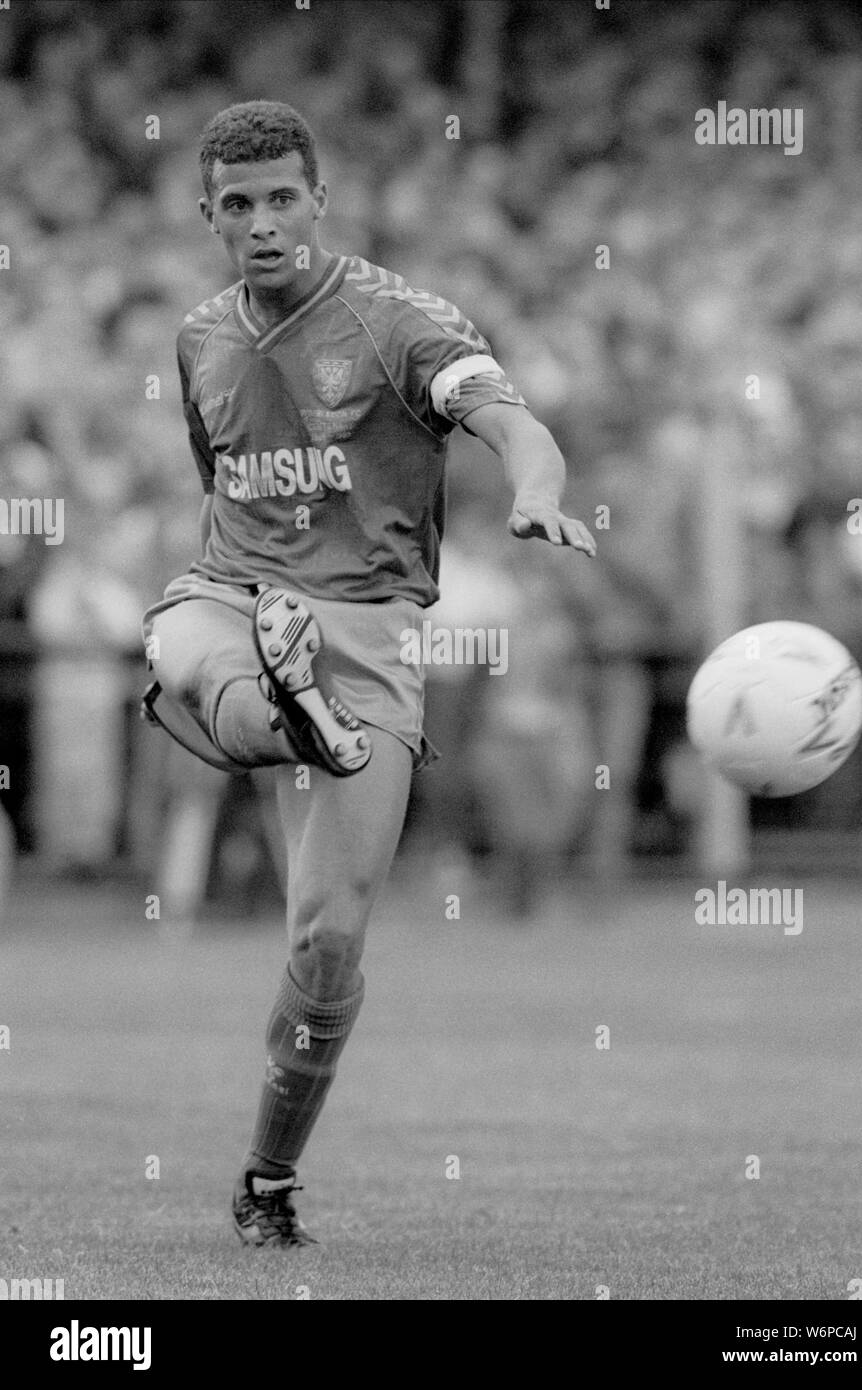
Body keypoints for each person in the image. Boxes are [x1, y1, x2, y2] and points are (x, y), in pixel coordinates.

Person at [142, 101, 595, 1246]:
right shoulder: (199, 338)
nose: (260, 222)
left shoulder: (398, 322)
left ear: (319, 200)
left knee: (329, 939)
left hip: (367, 631)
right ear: (206, 215)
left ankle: (268, 1177)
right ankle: (285, 706)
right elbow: (220, 481)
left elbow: (509, 418)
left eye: (281, 198)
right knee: (180, 648)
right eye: (236, 205)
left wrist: (535, 490)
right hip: (236, 593)